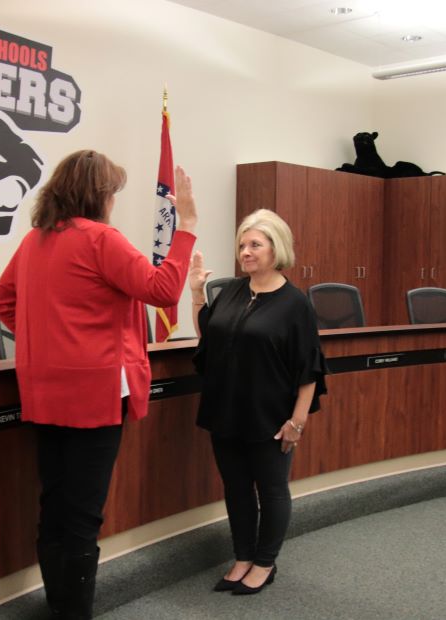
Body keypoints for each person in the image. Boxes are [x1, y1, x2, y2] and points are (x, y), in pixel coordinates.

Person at [0, 149, 197, 619]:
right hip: (95, 397)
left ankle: (59, 608)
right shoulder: (101, 239)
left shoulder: (35, 241)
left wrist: (50, 341)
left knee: (55, 508)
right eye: (113, 193)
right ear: (99, 195)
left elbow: (2, 301)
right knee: (83, 516)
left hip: (44, 394)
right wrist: (185, 225)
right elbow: (162, 291)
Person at [189, 208, 326, 596]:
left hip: (270, 415)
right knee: (235, 488)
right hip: (225, 409)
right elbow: (209, 337)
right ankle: (243, 557)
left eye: (255, 244)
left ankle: (265, 562)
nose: (245, 252)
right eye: (241, 245)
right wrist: (198, 292)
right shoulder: (233, 290)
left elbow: (309, 369)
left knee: (271, 490)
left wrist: (296, 422)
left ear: (275, 248)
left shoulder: (294, 303)